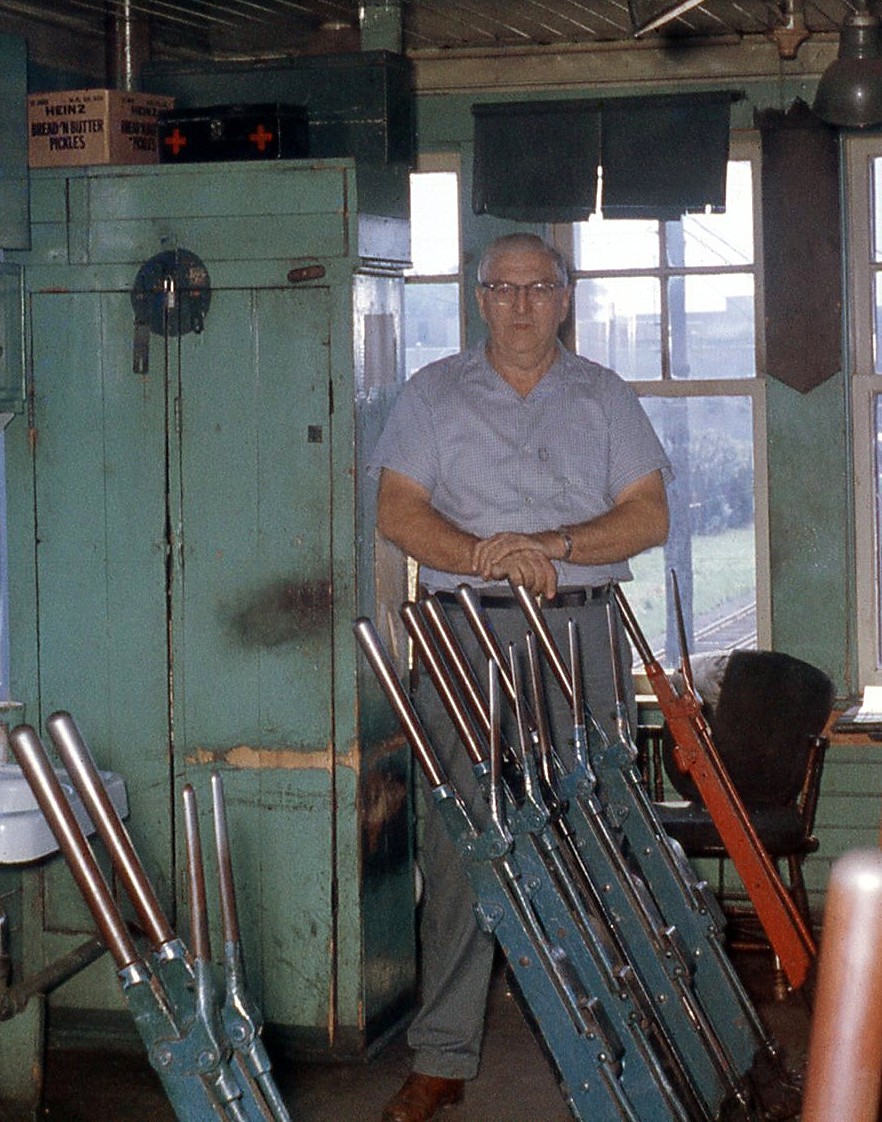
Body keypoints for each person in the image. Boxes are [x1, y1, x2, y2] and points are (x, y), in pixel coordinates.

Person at [369, 231, 671, 1122]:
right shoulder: (431, 394)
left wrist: (553, 545)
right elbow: (397, 511)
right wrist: (482, 555)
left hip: (582, 633)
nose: (520, 304)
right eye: (502, 288)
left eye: (538, 287)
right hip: (464, 634)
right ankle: (442, 1057)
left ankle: (620, 1041)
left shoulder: (605, 396)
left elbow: (647, 516)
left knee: (598, 834)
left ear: (565, 298)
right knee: (464, 844)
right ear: (478, 299)